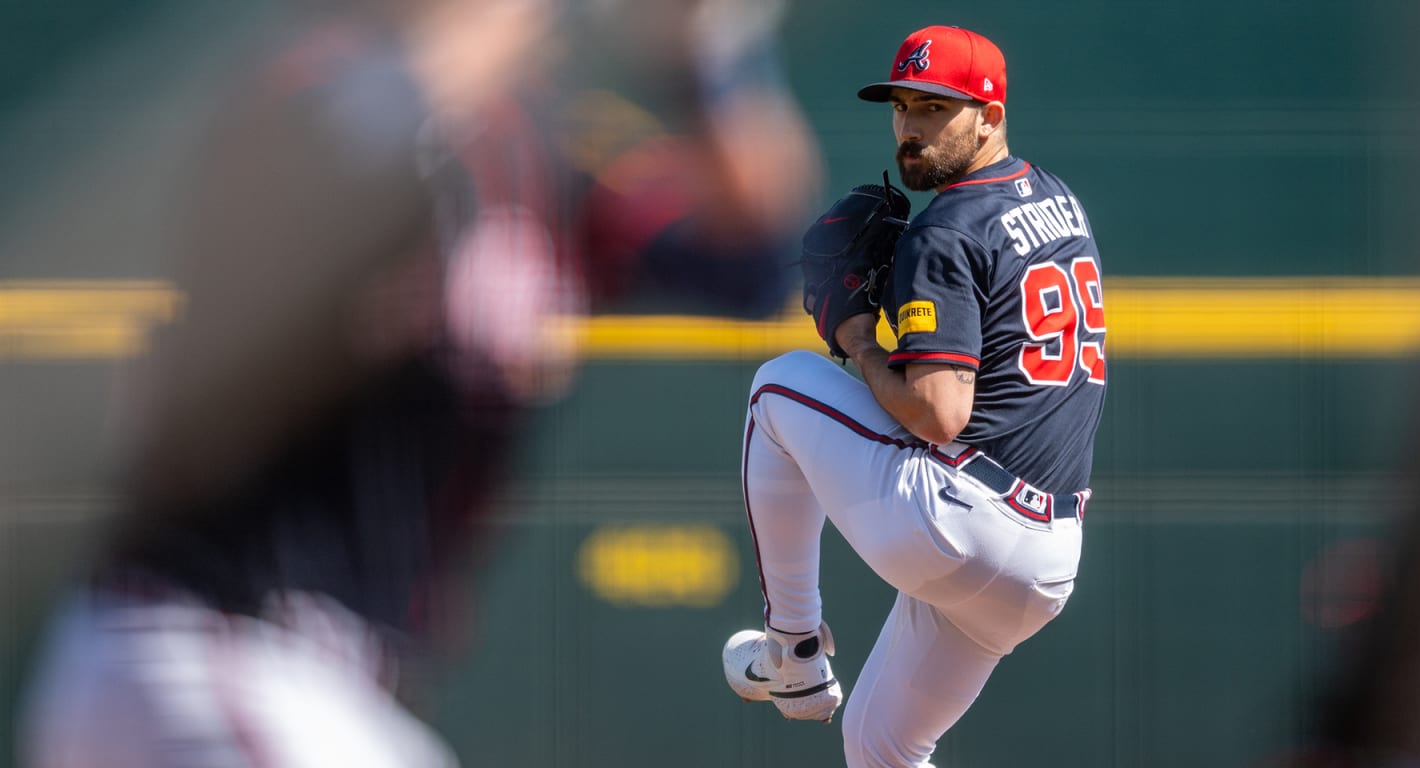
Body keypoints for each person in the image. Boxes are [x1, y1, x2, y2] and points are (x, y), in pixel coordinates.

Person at [16, 0, 819, 765]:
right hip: (207, 650)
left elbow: (751, 255)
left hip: (319, 686)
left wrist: (701, 57)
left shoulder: (540, 156)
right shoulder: (303, 87)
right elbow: (368, 130)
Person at [720, 25, 1107, 767]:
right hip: (1047, 560)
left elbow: (939, 414)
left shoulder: (945, 233)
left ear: (990, 115)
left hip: (964, 525)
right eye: (902, 106)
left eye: (936, 108)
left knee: (778, 388)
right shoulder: (1057, 200)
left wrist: (862, 339)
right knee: (880, 744)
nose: (911, 128)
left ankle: (794, 648)